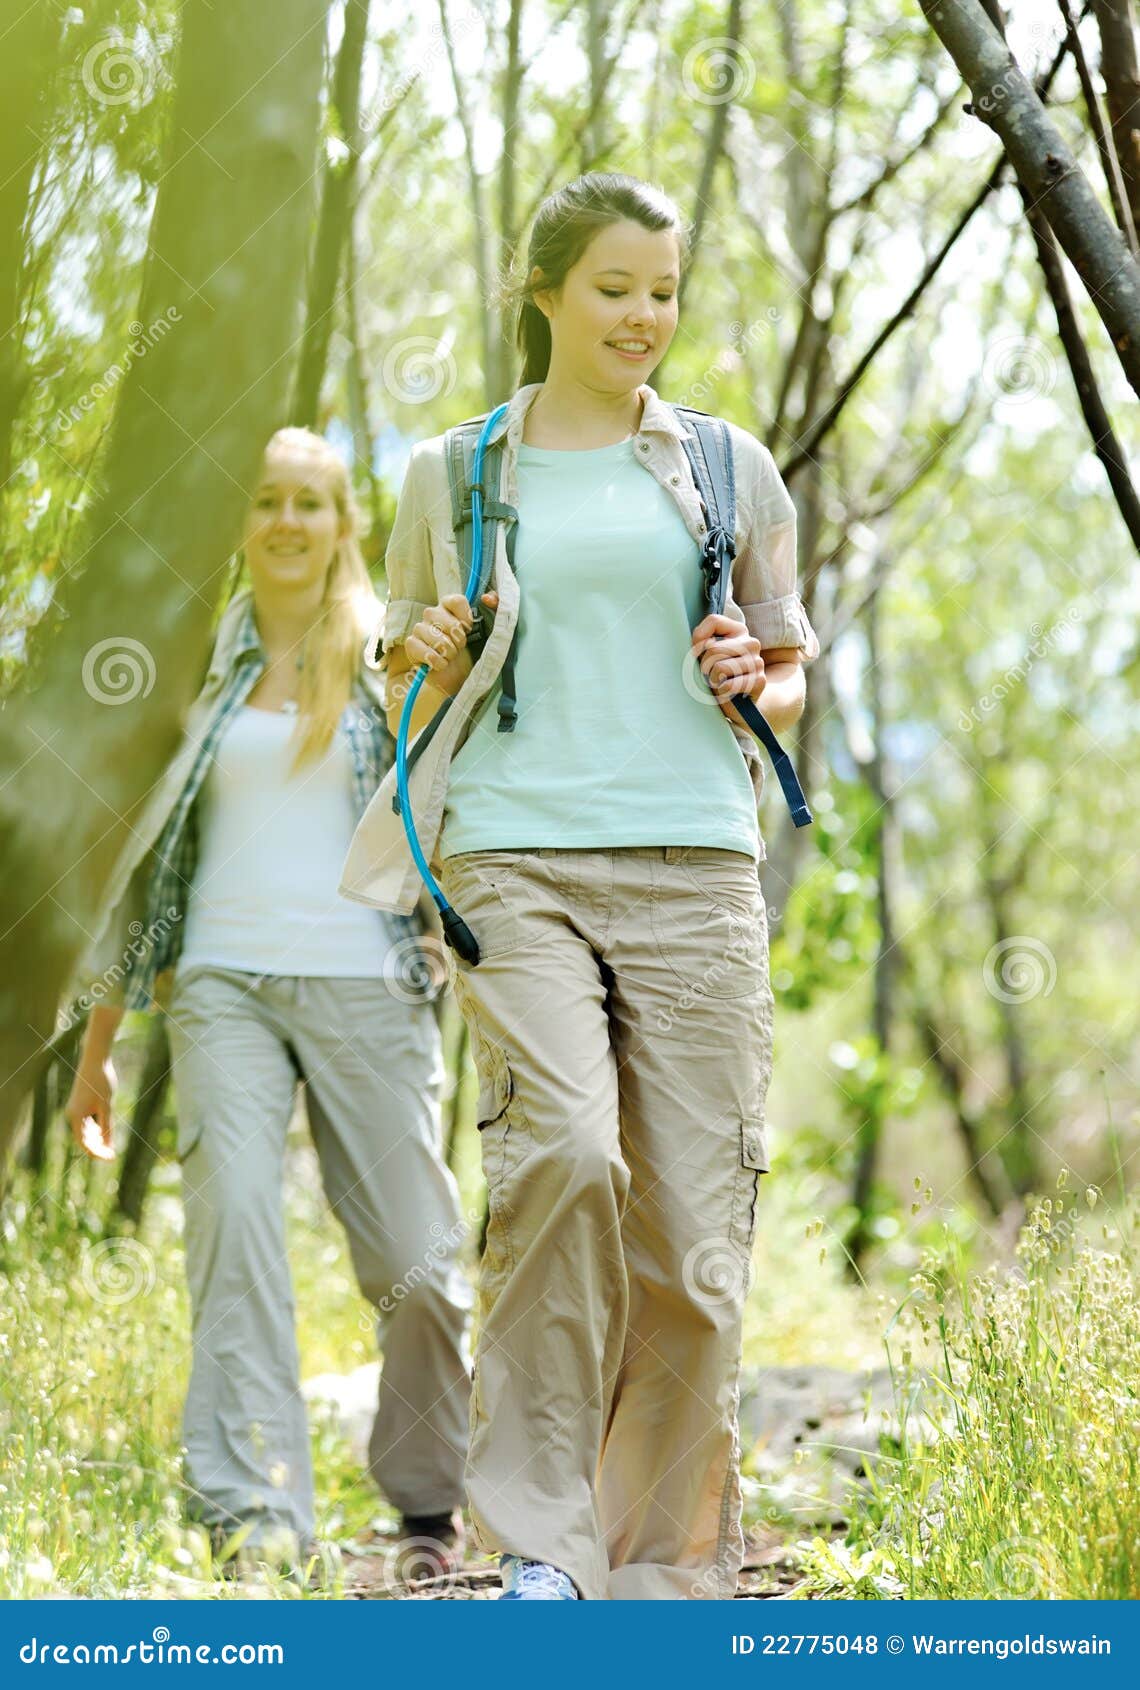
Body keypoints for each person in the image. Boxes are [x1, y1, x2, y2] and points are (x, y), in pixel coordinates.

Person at [339, 172, 821, 1600]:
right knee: (563, 1160)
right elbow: (411, 659)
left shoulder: (728, 466)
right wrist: (417, 639)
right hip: (514, 850)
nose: (644, 316)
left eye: (663, 290)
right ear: (542, 290)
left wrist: (761, 676)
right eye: (615, 288)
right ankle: (542, 1540)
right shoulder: (458, 468)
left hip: (695, 860)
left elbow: (789, 664)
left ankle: (663, 1568)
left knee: (692, 1229)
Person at [65, 427, 473, 1577]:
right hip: (219, 986)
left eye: (312, 502)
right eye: (268, 502)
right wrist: (100, 1047)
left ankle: (430, 1493)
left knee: (421, 1261)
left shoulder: (395, 659)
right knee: (234, 1237)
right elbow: (139, 869)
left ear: (344, 523)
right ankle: (256, 1519)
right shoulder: (196, 668)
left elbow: (456, 818)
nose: (289, 521)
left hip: (371, 980)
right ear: (243, 525)